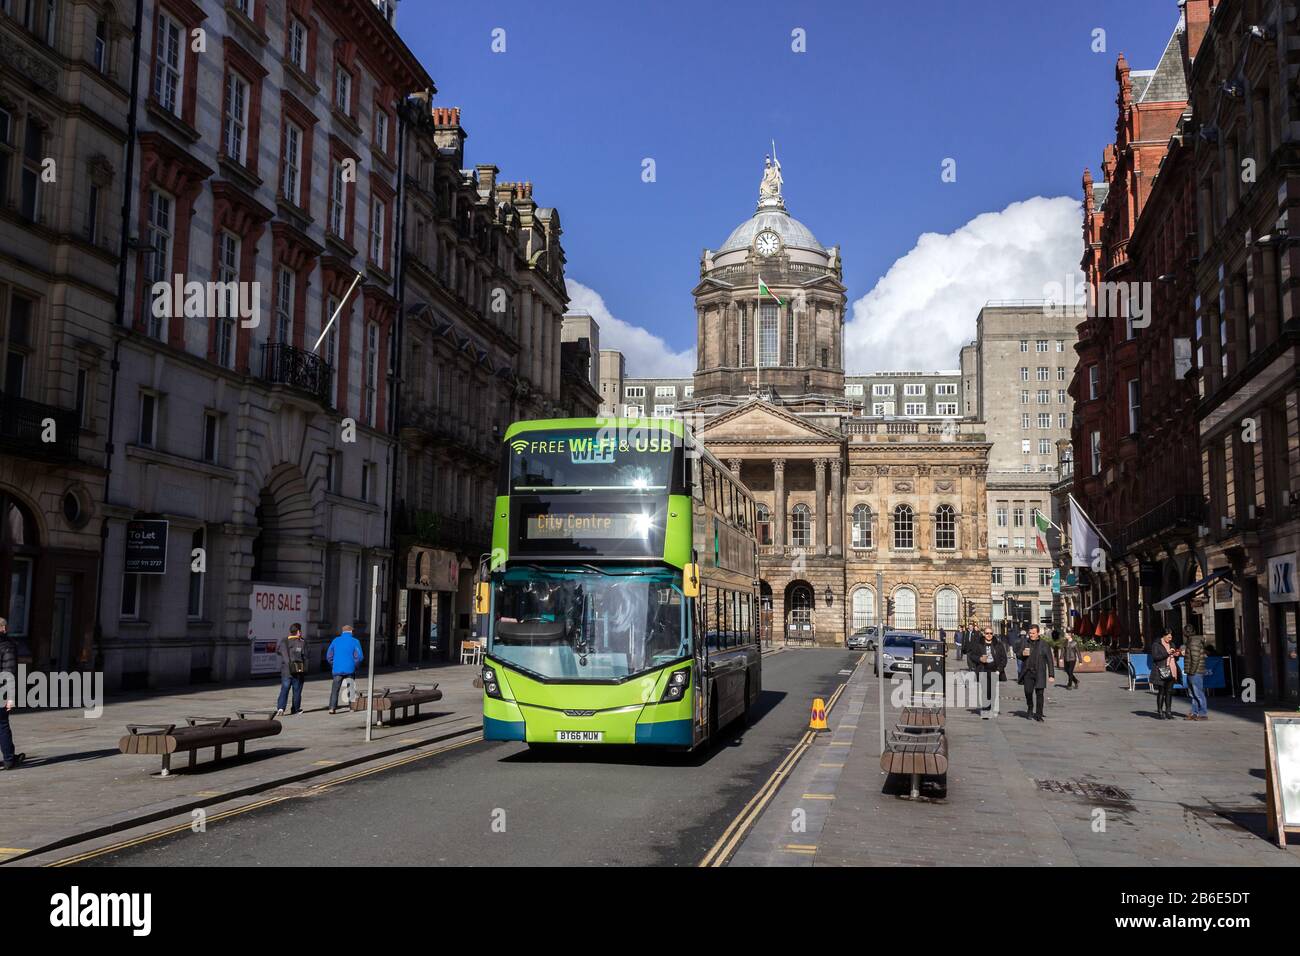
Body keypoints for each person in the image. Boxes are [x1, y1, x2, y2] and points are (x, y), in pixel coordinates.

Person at [0, 617, 24, 770]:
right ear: (3, 628)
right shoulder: (7, 645)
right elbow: (10, 672)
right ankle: (9, 759)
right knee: (2, 725)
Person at [967, 627, 1006, 719]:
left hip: (994, 671)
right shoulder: (979, 644)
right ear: (984, 634)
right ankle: (985, 710)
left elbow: (1004, 659)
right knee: (985, 691)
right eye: (987, 633)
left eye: (991, 633)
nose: (989, 635)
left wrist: (999, 670)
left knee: (992, 692)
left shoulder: (998, 645)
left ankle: (990, 708)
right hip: (983, 670)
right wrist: (979, 659)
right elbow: (972, 656)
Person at [1020, 624, 1055, 721]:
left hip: (1040, 672)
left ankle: (1039, 714)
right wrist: (1022, 654)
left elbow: (1050, 660)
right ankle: (1030, 707)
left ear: (1038, 633)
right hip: (1028, 672)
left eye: (1033, 633)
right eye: (1030, 633)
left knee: (1040, 694)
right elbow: (1018, 654)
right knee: (1028, 692)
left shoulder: (1044, 644)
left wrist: (1051, 675)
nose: (1031, 635)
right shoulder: (1025, 642)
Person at [326, 625, 364, 714]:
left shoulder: (335, 640)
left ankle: (332, 708)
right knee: (351, 688)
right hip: (350, 669)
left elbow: (329, 656)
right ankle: (352, 707)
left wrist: (333, 664)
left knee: (335, 689)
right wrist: (355, 665)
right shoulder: (355, 641)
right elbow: (359, 657)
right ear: (351, 632)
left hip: (337, 669)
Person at [1182, 622, 1216, 721]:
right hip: (1193, 671)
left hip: (1195, 672)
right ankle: (1194, 712)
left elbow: (1195, 658)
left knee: (1198, 693)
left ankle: (1202, 713)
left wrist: (1192, 671)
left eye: (1185, 631)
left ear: (1187, 632)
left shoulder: (1193, 642)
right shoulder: (1191, 641)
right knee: (1193, 693)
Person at [275, 623, 309, 717]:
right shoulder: (302, 642)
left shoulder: (284, 641)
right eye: (300, 631)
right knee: (297, 690)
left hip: (286, 671)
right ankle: (296, 709)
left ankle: (281, 708)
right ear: (298, 632)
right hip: (298, 671)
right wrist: (305, 669)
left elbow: (278, 651)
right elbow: (305, 656)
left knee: (284, 689)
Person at [1150, 629, 1178, 720]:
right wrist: (1167, 653)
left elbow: (1174, 658)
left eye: (1171, 637)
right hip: (1161, 670)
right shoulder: (1156, 645)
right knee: (1161, 691)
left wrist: (1176, 654)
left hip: (1171, 670)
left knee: (1169, 692)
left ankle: (1168, 712)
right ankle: (1160, 711)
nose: (1170, 638)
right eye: (1169, 636)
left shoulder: (1172, 644)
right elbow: (1155, 657)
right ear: (1164, 635)